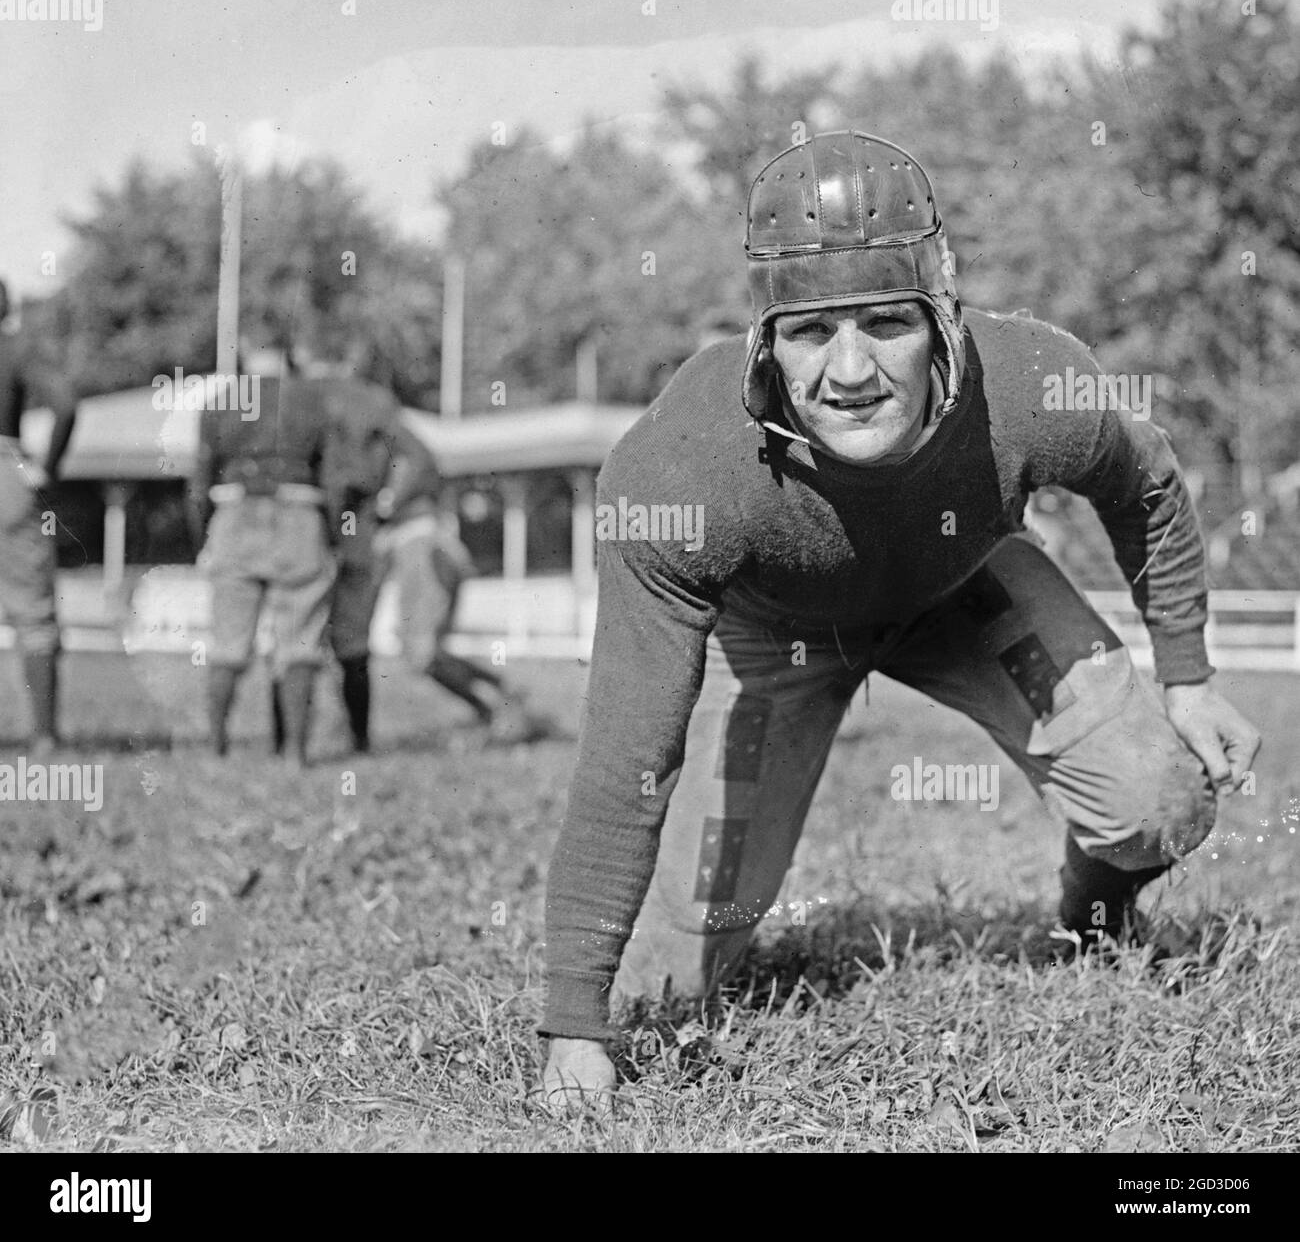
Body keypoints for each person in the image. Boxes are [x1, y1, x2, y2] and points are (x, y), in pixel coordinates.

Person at [539, 130, 1261, 1107]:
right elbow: (626, 752)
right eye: (808, 333)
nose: (848, 370)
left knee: (1162, 799)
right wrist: (574, 1022)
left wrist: (1186, 672)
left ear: (944, 316)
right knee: (664, 977)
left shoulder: (1032, 382)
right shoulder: (679, 470)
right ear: (763, 340)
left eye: (885, 322)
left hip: (962, 589)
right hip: (776, 634)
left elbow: (1145, 480)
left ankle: (1094, 914)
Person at [189, 327, 335, 769]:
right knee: (300, 642)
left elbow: (197, 485)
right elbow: (334, 480)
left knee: (228, 643)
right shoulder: (313, 402)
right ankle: (293, 753)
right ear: (288, 354)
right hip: (300, 514)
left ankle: (215, 749)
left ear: (247, 352)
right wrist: (332, 534)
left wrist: (202, 541)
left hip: (235, 515)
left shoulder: (220, 403)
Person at [373, 443, 544, 743]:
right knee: (422, 652)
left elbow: (389, 503)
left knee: (421, 653)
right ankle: (498, 694)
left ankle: (495, 701)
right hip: (423, 549)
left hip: (423, 549)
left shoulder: (401, 450)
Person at [285, 340, 404, 755]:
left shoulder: (298, 396)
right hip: (359, 526)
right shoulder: (377, 401)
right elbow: (399, 461)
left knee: (294, 635)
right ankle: (360, 740)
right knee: (353, 641)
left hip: (309, 525)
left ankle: (286, 744)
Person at [0, 278, 78, 753]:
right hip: (6, 476)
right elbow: (67, 404)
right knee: (33, 615)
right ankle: (44, 737)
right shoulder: (18, 348)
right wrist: (46, 466)